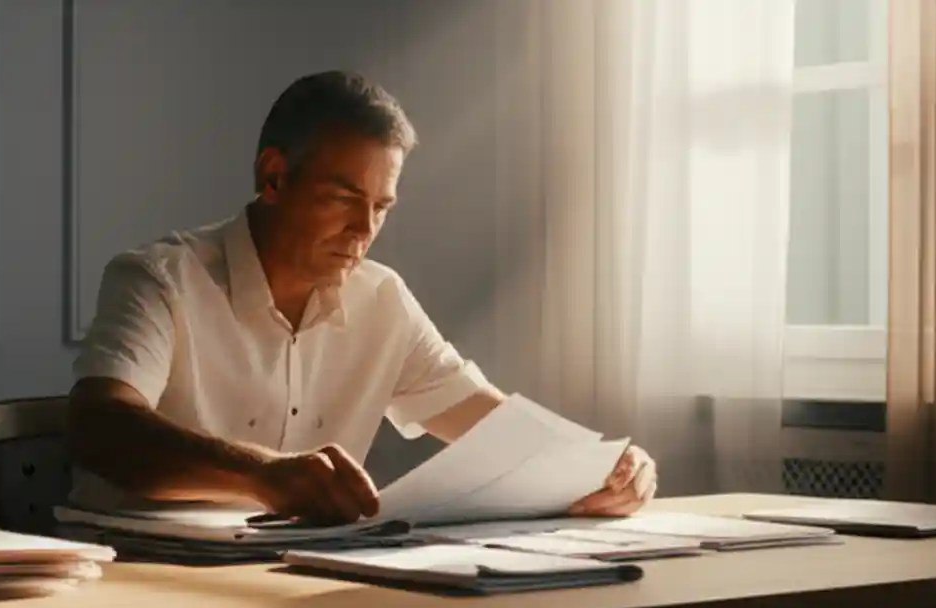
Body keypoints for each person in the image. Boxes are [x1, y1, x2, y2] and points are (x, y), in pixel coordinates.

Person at [67, 70, 657, 525]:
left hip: (297, 580)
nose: (364, 229)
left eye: (381, 207)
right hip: (139, 578)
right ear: (273, 177)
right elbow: (99, 426)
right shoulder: (160, 280)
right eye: (344, 198)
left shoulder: (382, 299)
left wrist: (604, 466)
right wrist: (262, 474)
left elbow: (493, 424)